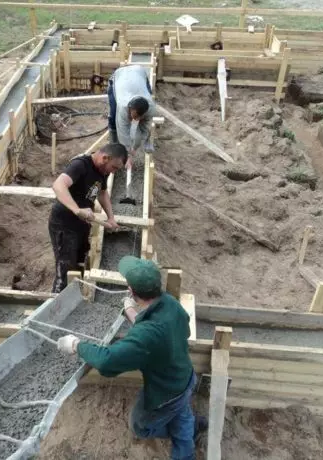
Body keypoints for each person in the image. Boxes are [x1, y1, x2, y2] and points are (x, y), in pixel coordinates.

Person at [56, 256, 206, 459]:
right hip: (185, 377)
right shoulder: (170, 303)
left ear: (132, 291)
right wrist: (131, 312)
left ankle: (186, 443)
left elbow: (107, 361)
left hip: (166, 394)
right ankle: (194, 426)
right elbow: (169, 332)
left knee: (140, 426)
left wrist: (75, 345)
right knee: (181, 414)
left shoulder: (146, 336)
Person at [49, 143, 128, 293]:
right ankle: (56, 301)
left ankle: (78, 292)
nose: (114, 171)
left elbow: (102, 193)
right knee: (65, 267)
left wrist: (111, 218)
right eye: (114, 167)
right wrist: (76, 209)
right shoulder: (80, 165)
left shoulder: (103, 170)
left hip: (82, 223)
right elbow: (58, 185)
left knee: (80, 259)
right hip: (64, 224)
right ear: (105, 158)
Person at [107, 64, 156, 168]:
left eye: (138, 117)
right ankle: (113, 145)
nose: (135, 120)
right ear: (129, 108)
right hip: (119, 76)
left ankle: (148, 141)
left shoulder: (151, 108)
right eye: (133, 116)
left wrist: (135, 148)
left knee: (145, 131)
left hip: (138, 72)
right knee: (113, 116)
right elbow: (123, 133)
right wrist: (127, 155)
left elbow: (144, 129)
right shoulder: (122, 106)